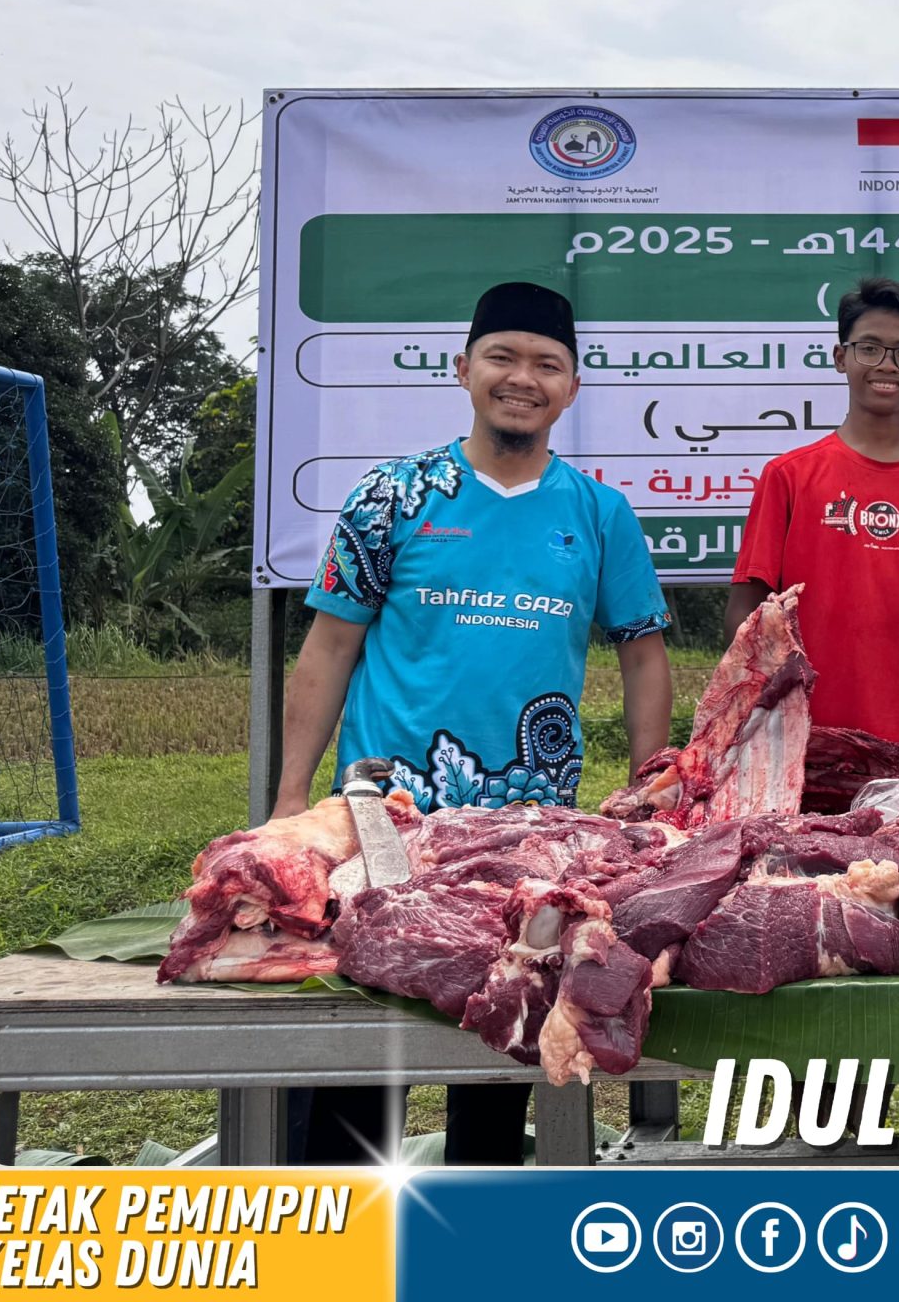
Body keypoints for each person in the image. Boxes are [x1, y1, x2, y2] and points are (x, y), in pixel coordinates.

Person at [273, 279, 674, 1166]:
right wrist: (291, 800)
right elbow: (330, 647)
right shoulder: (393, 494)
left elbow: (642, 655)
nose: (522, 378)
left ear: (571, 386)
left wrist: (652, 799)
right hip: (378, 822)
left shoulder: (600, 514)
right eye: (503, 356)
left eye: (547, 364)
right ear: (463, 369)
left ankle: (479, 1230)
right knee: (354, 1048)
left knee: (495, 1039)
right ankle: (342, 1227)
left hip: (524, 837)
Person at [727, 277, 899, 757]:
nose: (886, 365)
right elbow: (743, 612)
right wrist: (767, 702)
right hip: (805, 744)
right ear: (840, 357)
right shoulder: (788, 476)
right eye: (869, 348)